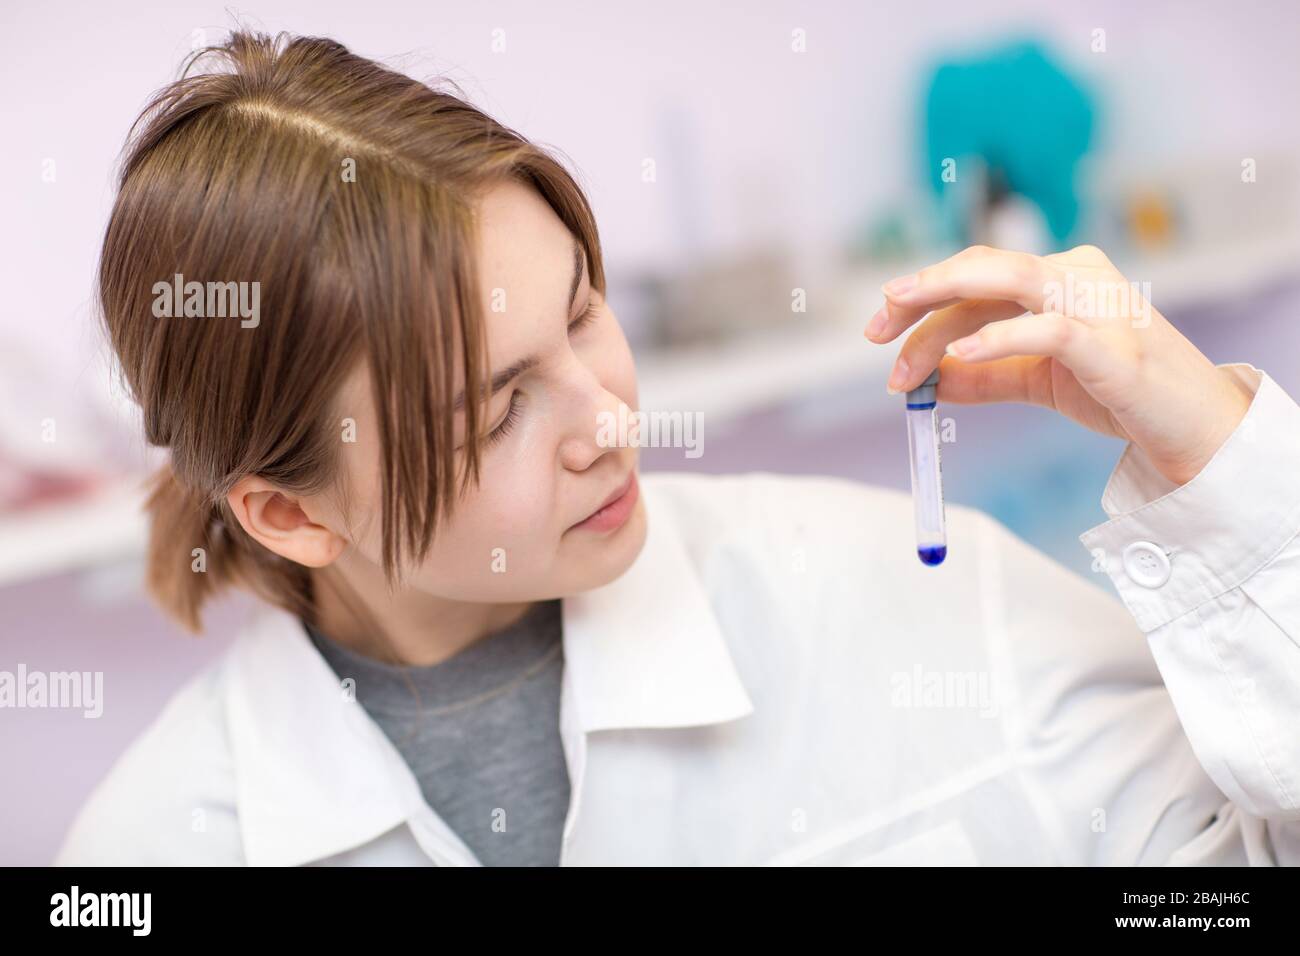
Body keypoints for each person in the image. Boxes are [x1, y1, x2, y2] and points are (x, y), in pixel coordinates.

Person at [55, 31, 1299, 866]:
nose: (608, 420)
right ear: (287, 512)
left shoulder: (907, 595)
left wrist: (1221, 459)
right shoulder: (151, 848)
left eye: (585, 312)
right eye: (496, 410)